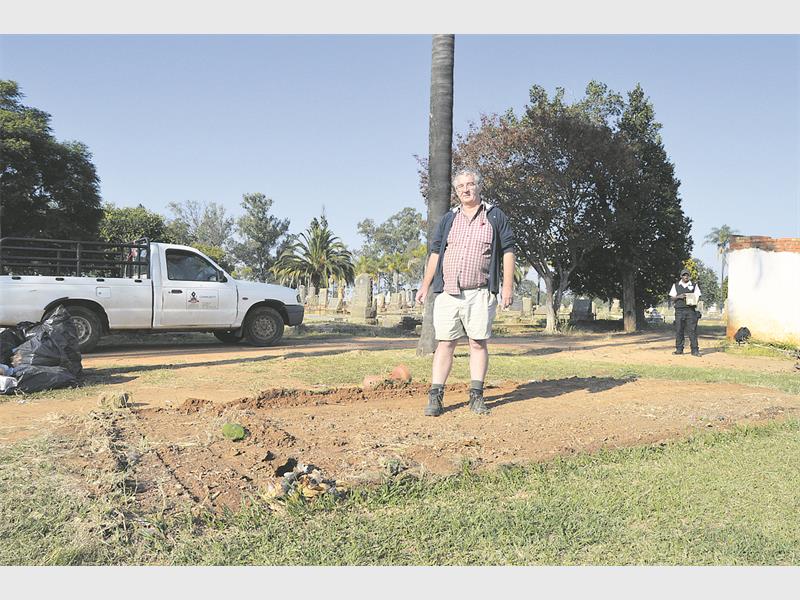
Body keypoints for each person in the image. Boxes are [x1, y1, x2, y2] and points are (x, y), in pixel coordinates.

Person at [415, 168, 515, 416]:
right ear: (456, 191)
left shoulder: (495, 216)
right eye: (460, 187)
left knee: (477, 343)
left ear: (479, 186)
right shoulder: (449, 219)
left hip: (479, 293)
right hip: (448, 293)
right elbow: (436, 253)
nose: (466, 190)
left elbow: (509, 251)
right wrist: (425, 285)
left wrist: (508, 288)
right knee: (445, 343)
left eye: (470, 185)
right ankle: (436, 395)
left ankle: (476, 396)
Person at [669, 267, 702, 356]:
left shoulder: (694, 285)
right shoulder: (675, 285)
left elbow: (698, 296)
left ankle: (695, 350)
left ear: (689, 276)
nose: (686, 277)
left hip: (690, 310)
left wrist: (693, 300)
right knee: (679, 330)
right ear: (681, 276)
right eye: (684, 275)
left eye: (687, 275)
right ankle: (679, 349)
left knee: (692, 330)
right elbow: (672, 297)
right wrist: (679, 297)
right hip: (679, 310)